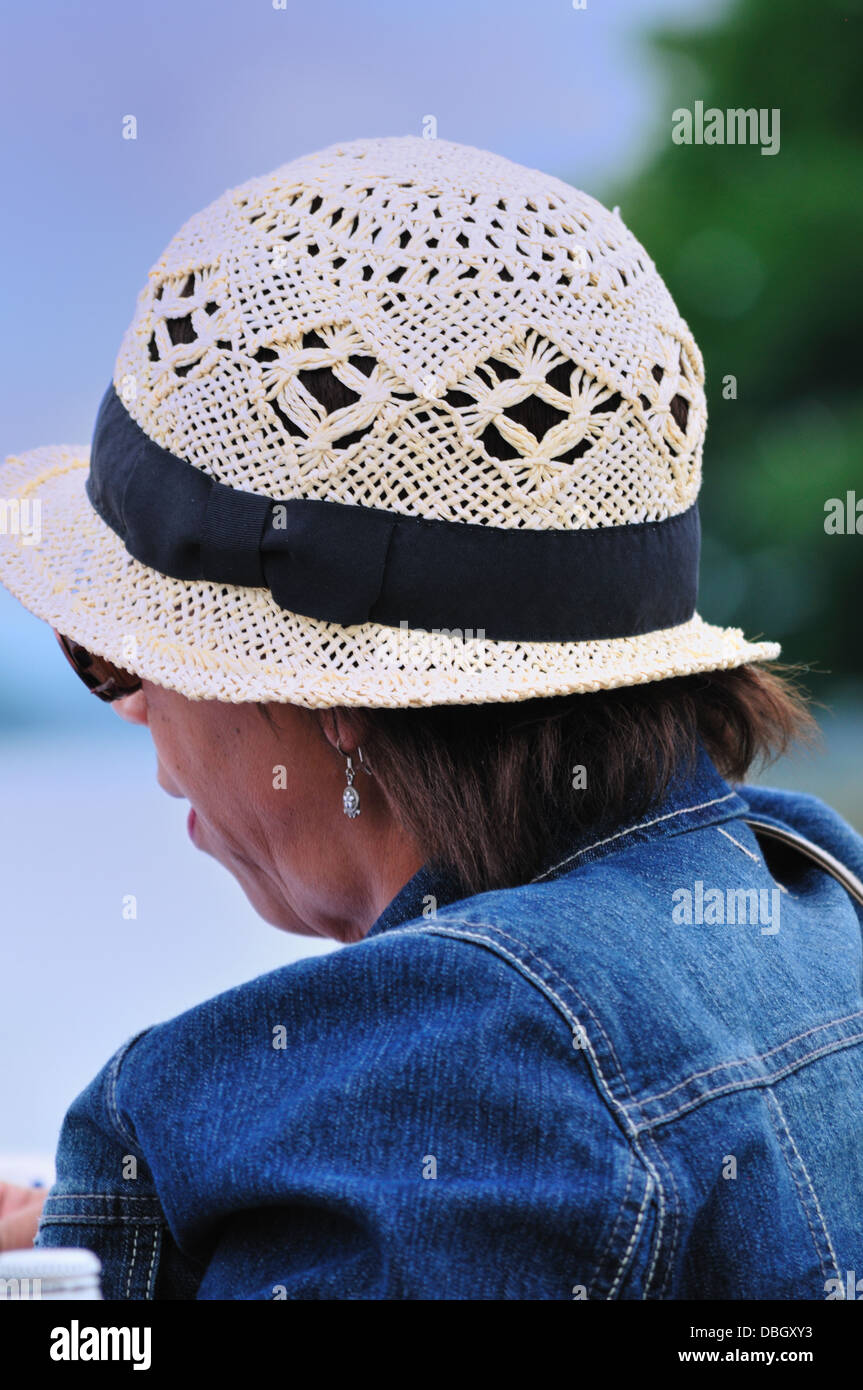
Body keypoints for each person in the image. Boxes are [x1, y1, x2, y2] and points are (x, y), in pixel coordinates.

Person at [1, 135, 861, 1300]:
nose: (138, 713)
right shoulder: (814, 890)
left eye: (120, 654)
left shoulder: (445, 1076)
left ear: (332, 691)